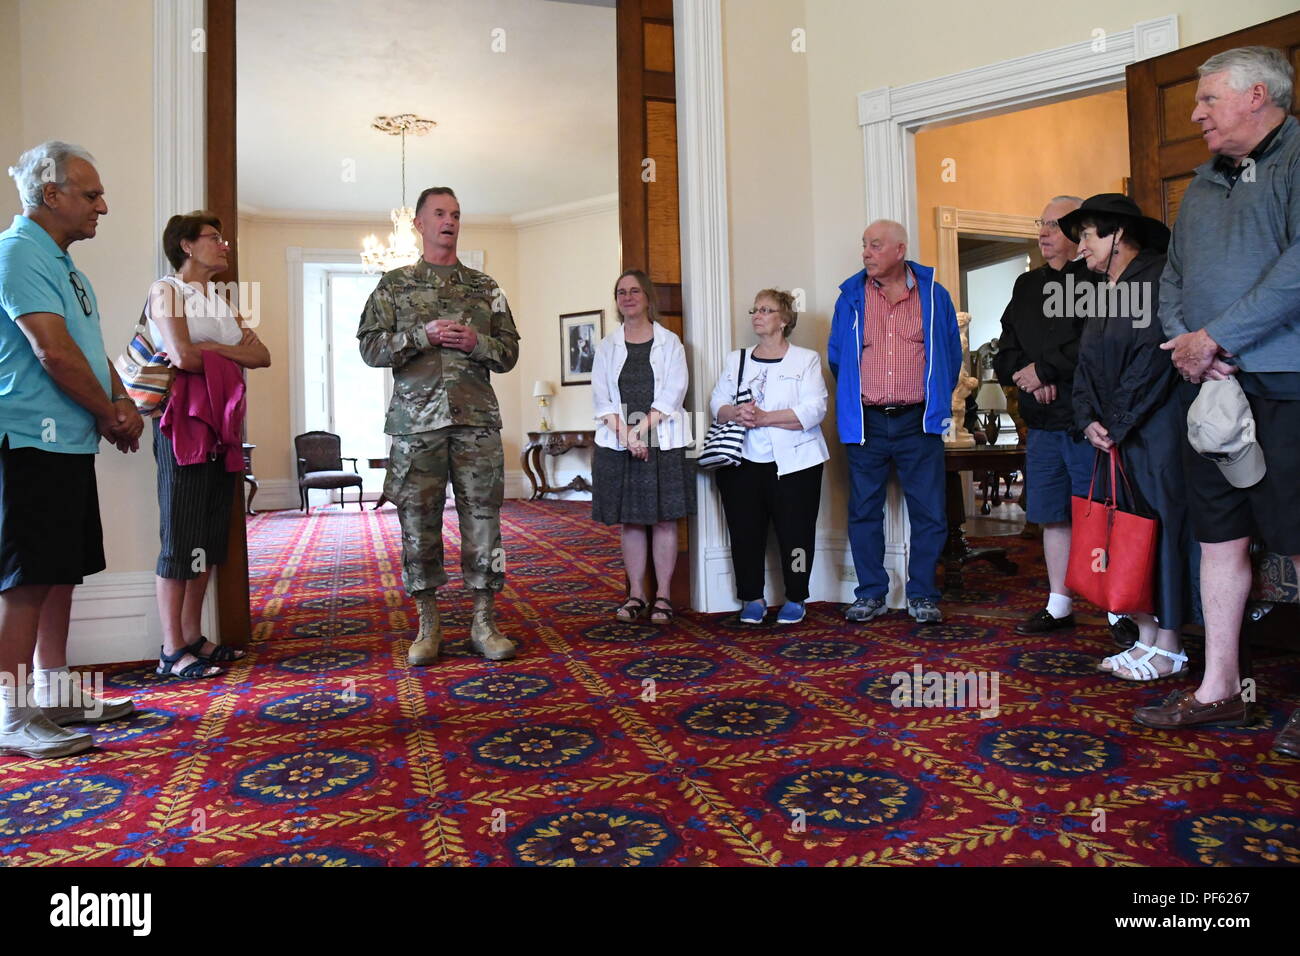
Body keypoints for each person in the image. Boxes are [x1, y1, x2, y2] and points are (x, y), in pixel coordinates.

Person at [1147, 47, 1300, 747]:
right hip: (1211, 389)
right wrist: (1187, 342)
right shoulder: (1202, 185)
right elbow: (1172, 276)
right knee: (1218, 538)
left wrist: (1216, 337)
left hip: (1285, 382)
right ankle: (1219, 689)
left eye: (1209, 99)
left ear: (1258, 96)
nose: (1195, 113)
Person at [0, 141, 142, 758]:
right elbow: (51, 353)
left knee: (59, 574)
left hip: (67, 444)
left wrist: (123, 399)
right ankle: (11, 713)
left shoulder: (65, 265)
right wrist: (109, 413)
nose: (102, 207)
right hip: (28, 442)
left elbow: (88, 348)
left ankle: (54, 691)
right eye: (91, 194)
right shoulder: (17, 255)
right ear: (50, 195)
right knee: (26, 582)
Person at [358, 186, 519, 666]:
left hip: (476, 423)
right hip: (416, 427)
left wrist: (477, 342)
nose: (449, 221)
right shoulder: (393, 284)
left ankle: (484, 623)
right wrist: (418, 335)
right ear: (420, 224)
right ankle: (427, 626)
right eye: (439, 214)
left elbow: (509, 352)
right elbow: (369, 348)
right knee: (417, 525)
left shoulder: (485, 287)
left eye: (455, 214)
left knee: (485, 524)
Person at [1063, 194, 1195, 682]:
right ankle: (1144, 638)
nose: (1081, 249)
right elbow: (1086, 366)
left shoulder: (1159, 277)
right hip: (1115, 433)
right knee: (1128, 533)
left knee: (1160, 529)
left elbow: (1155, 359)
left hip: (1156, 431)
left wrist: (1115, 423)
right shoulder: (1104, 290)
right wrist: (1086, 419)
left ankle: (1171, 647)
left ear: (1118, 235)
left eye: (1088, 236)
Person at [148, 211, 269, 679]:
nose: (224, 245)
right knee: (180, 532)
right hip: (183, 422)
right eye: (214, 238)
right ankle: (171, 648)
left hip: (224, 426)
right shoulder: (166, 291)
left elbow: (262, 355)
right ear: (185, 245)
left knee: (209, 534)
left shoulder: (217, 300)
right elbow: (180, 355)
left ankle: (194, 636)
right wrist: (224, 354)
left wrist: (212, 353)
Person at [828, 220, 961, 624]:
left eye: (875, 245)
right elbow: (838, 359)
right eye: (864, 245)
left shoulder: (935, 296)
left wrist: (932, 401)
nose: (866, 252)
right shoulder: (851, 297)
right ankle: (870, 593)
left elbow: (950, 358)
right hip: (867, 422)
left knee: (930, 512)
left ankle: (922, 593)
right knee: (864, 510)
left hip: (918, 422)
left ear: (899, 250)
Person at [995, 195, 1096, 634]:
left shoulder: (1099, 283)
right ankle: (1059, 604)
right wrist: (1027, 375)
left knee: (1097, 514)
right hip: (1041, 425)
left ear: (1078, 233)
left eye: (1054, 225)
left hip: (1085, 425)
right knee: (1052, 515)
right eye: (1042, 223)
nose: (1043, 233)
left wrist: (1046, 369)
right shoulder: (1026, 286)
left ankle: (1118, 609)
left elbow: (1092, 345)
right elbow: (1007, 347)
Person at [710, 289, 829, 625]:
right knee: (745, 531)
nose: (757, 315)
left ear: (784, 319)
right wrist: (736, 413)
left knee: (796, 533)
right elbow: (716, 404)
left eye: (766, 309)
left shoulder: (805, 360)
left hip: (796, 463)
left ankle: (796, 596)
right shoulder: (737, 359)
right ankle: (752, 597)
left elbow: (814, 409)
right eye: (755, 308)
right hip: (742, 461)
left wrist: (765, 417)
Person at [592, 269, 693, 625]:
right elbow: (602, 401)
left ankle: (663, 596)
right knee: (631, 522)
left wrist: (640, 431)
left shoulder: (671, 343)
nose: (628, 297)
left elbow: (672, 395)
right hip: (618, 443)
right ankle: (636, 595)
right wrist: (626, 436)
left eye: (635, 291)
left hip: (662, 440)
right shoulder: (607, 346)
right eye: (621, 292)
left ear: (648, 297)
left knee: (665, 520)